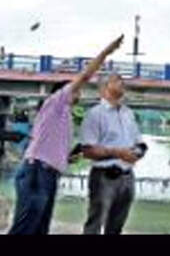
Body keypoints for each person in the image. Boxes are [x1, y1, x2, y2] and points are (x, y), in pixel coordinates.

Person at [8, 34, 124, 235]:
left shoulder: (64, 116)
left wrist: (72, 156)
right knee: (25, 228)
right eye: (76, 90)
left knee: (39, 229)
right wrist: (107, 51)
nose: (80, 93)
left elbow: (54, 151)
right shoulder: (56, 102)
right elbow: (86, 76)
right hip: (37, 172)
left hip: (48, 173)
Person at [80, 71, 147, 235]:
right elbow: (87, 150)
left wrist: (136, 153)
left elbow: (140, 143)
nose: (122, 83)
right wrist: (118, 153)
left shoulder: (128, 113)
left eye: (122, 81)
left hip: (127, 176)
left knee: (116, 227)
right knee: (95, 224)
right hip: (104, 177)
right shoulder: (95, 114)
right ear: (104, 88)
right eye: (117, 81)